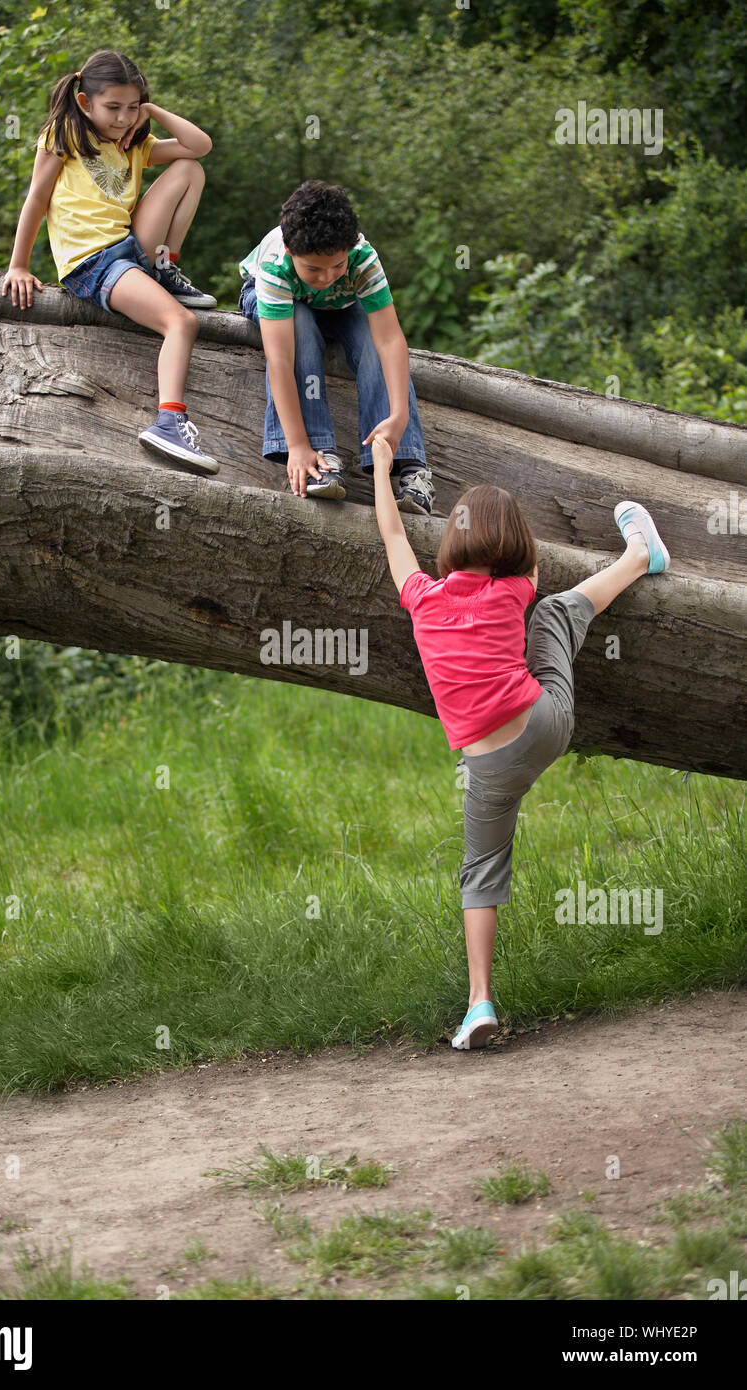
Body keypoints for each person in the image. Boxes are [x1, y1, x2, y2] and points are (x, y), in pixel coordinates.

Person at [370, 434, 671, 1050]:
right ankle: (642, 554)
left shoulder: (423, 601)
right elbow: (528, 568)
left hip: (485, 764)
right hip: (544, 725)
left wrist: (380, 468)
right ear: (511, 548)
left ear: (449, 547)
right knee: (557, 614)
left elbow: (395, 537)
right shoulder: (514, 591)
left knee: (479, 871)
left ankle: (479, 1003)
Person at [1, 48, 218, 473]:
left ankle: (164, 268)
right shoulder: (66, 133)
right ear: (86, 102)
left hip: (131, 247)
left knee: (190, 169)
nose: (122, 117)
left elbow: (200, 145)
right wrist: (18, 266)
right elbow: (36, 200)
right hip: (93, 263)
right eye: (112, 107)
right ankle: (169, 422)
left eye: (132, 107)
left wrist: (151, 110)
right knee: (182, 323)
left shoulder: (136, 143)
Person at [238, 180, 434, 513]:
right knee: (301, 326)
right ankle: (318, 452)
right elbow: (281, 361)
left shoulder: (361, 256)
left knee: (373, 342)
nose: (326, 276)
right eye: (313, 268)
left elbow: (390, 339)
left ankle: (408, 464)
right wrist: (297, 445)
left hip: (341, 305)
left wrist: (399, 415)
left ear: (350, 250)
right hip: (282, 302)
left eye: (337, 267)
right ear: (290, 250)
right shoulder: (275, 266)